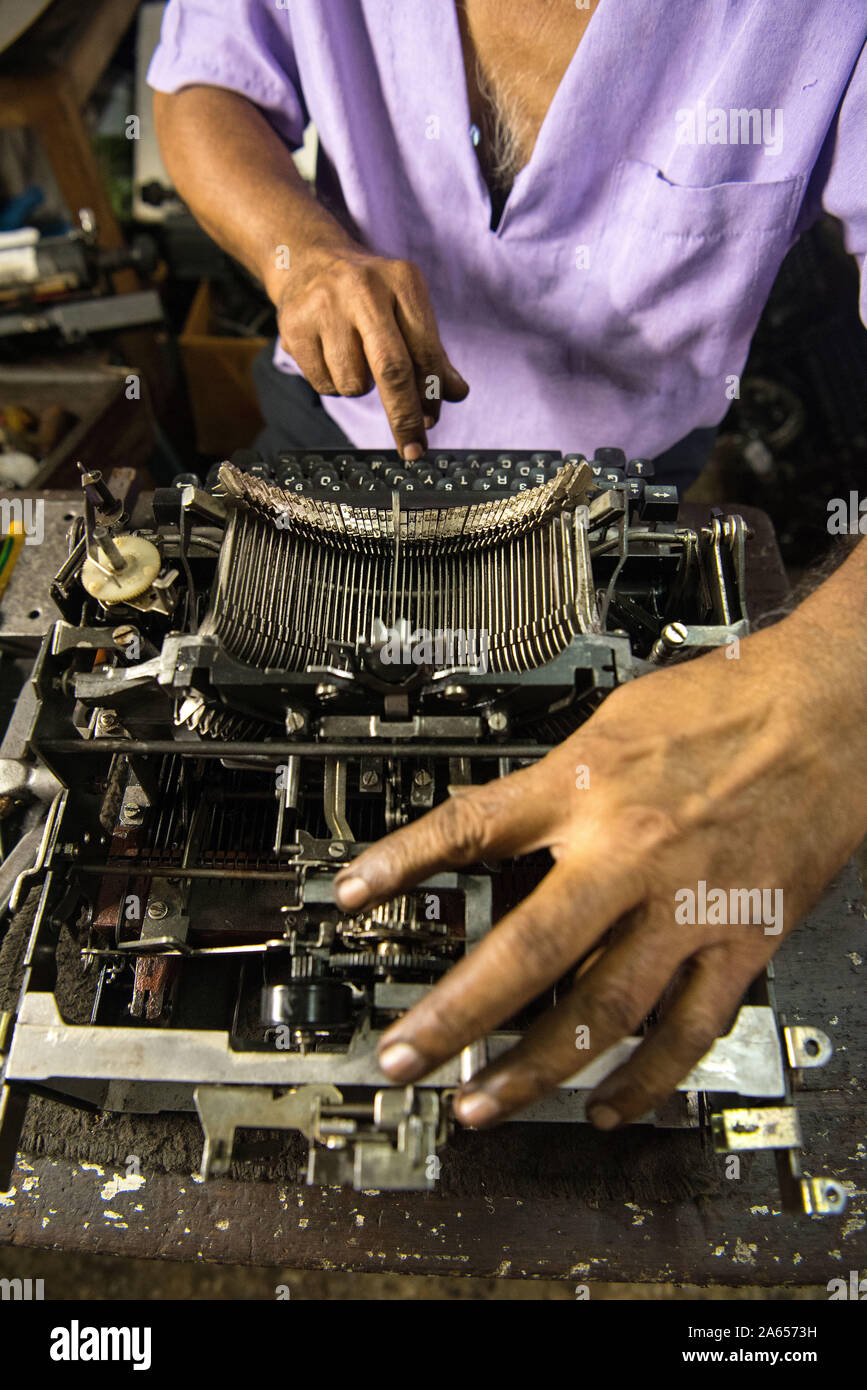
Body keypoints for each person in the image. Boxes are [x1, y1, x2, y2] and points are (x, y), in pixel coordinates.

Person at [150, 1, 867, 1133]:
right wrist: (302, 250)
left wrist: (825, 706)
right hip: (339, 425)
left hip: (618, 481)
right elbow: (200, 88)